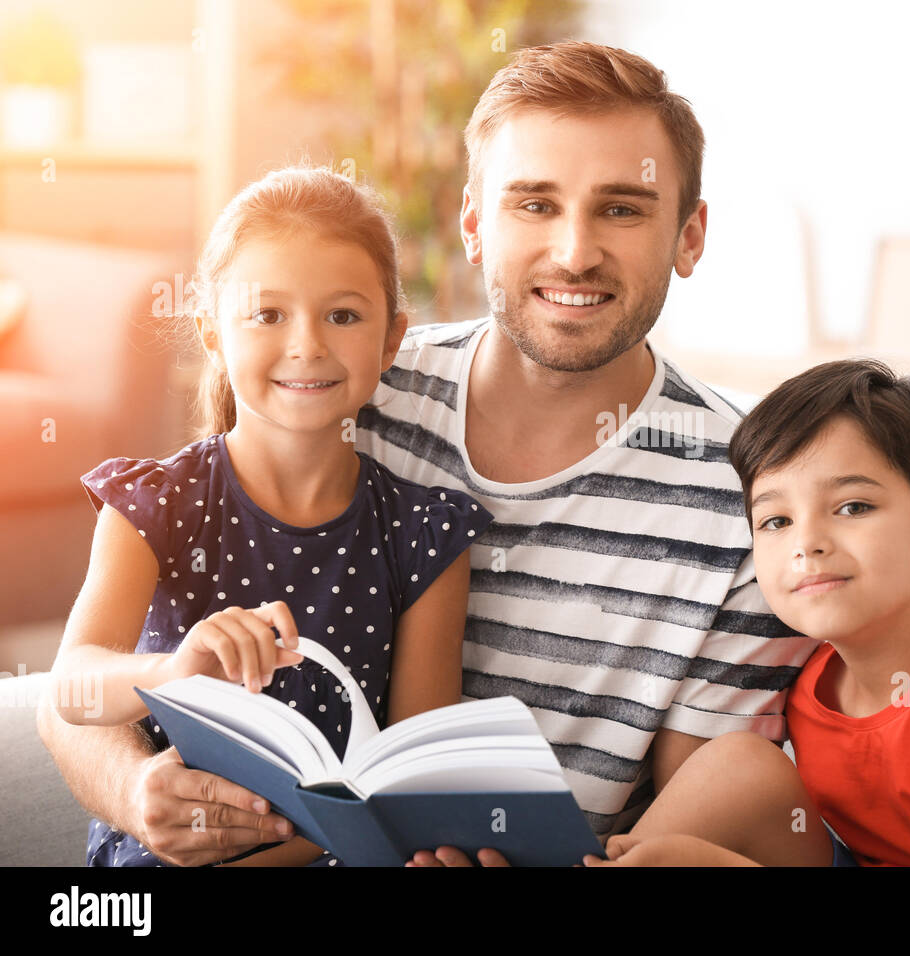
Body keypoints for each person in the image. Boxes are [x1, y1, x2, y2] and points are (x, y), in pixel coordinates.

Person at [38, 42, 818, 867]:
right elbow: (74, 694)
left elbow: (705, 807)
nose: (576, 252)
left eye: (622, 209)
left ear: (688, 236)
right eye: (535, 205)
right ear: (475, 226)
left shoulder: (751, 490)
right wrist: (134, 793)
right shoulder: (344, 382)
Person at [44, 165, 491, 866]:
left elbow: (409, 775)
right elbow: (69, 690)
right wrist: (167, 675)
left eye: (342, 315)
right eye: (267, 313)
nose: (306, 345)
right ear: (212, 332)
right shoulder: (153, 506)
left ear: (391, 338)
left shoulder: (425, 535)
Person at [584, 359, 910, 867]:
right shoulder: (810, 673)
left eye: (852, 507)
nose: (808, 542)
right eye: (776, 520)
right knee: (737, 767)